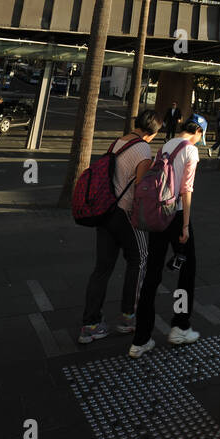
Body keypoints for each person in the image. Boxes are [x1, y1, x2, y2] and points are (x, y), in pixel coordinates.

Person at [78, 109, 161, 345]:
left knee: (102, 269)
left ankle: (90, 324)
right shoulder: (143, 148)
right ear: (152, 131)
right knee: (141, 259)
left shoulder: (118, 142)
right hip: (126, 213)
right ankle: (128, 317)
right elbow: (141, 187)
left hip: (105, 212)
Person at [130, 119, 204, 357]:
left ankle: (140, 339)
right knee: (187, 270)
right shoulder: (191, 150)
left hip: (157, 214)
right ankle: (180, 326)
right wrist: (185, 226)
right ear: (198, 132)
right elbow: (186, 189)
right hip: (176, 214)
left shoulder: (165, 146)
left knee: (152, 274)